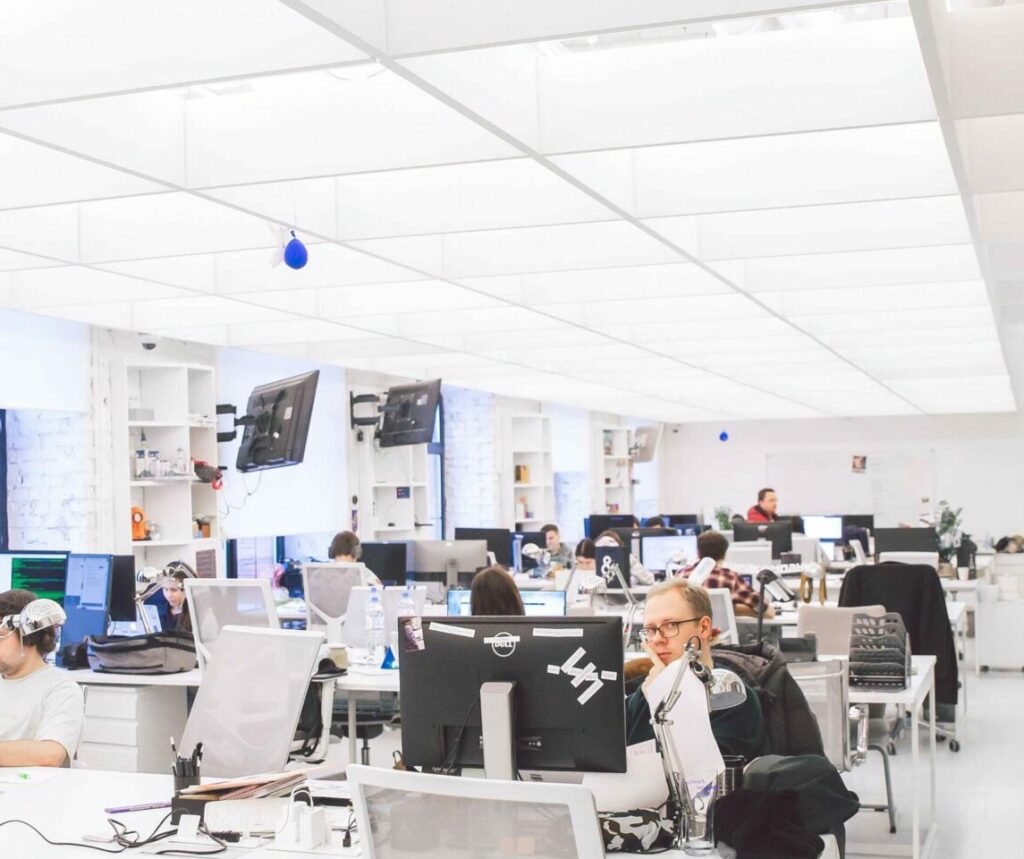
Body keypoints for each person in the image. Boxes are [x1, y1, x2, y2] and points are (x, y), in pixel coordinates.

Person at [624, 579, 764, 759]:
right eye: (650, 630)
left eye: (671, 625)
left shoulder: (732, 698)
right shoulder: (644, 691)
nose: (657, 639)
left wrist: (662, 700)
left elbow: (704, 772)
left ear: (704, 628)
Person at [0, 589, 84, 767]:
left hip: (28, 784)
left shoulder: (61, 689)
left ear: (29, 636)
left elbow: (50, 754)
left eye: (1, 636)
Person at [681, 531, 774, 619]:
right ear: (724, 554)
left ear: (698, 552)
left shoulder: (681, 574)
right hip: (718, 631)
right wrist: (731, 608)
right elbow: (767, 611)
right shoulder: (730, 577)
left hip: (687, 630)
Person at [161, 561, 196, 633]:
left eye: (174, 590)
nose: (169, 595)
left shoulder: (196, 614)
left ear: (187, 589)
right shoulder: (161, 611)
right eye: (165, 589)